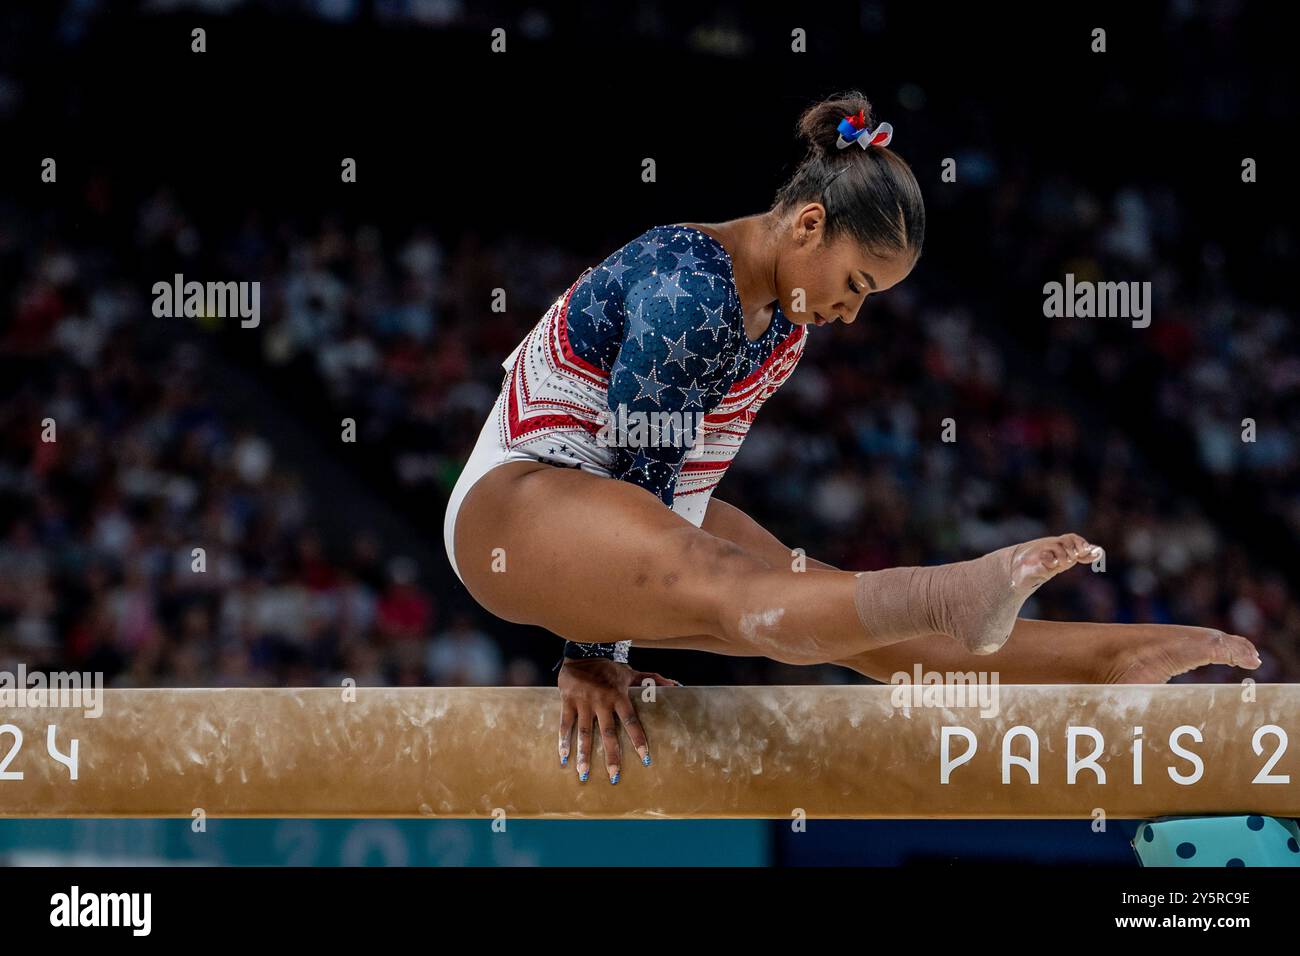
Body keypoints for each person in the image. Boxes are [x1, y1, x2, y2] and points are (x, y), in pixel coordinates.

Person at [442, 92, 1260, 784]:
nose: (851, 313)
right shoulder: (687, 284)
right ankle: (945, 591)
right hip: (516, 508)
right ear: (806, 225)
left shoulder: (783, 330)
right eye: (856, 284)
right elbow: (638, 487)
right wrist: (594, 653)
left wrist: (616, 631)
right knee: (735, 590)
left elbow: (681, 496)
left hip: (626, 518)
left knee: (838, 617)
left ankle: (1109, 661)